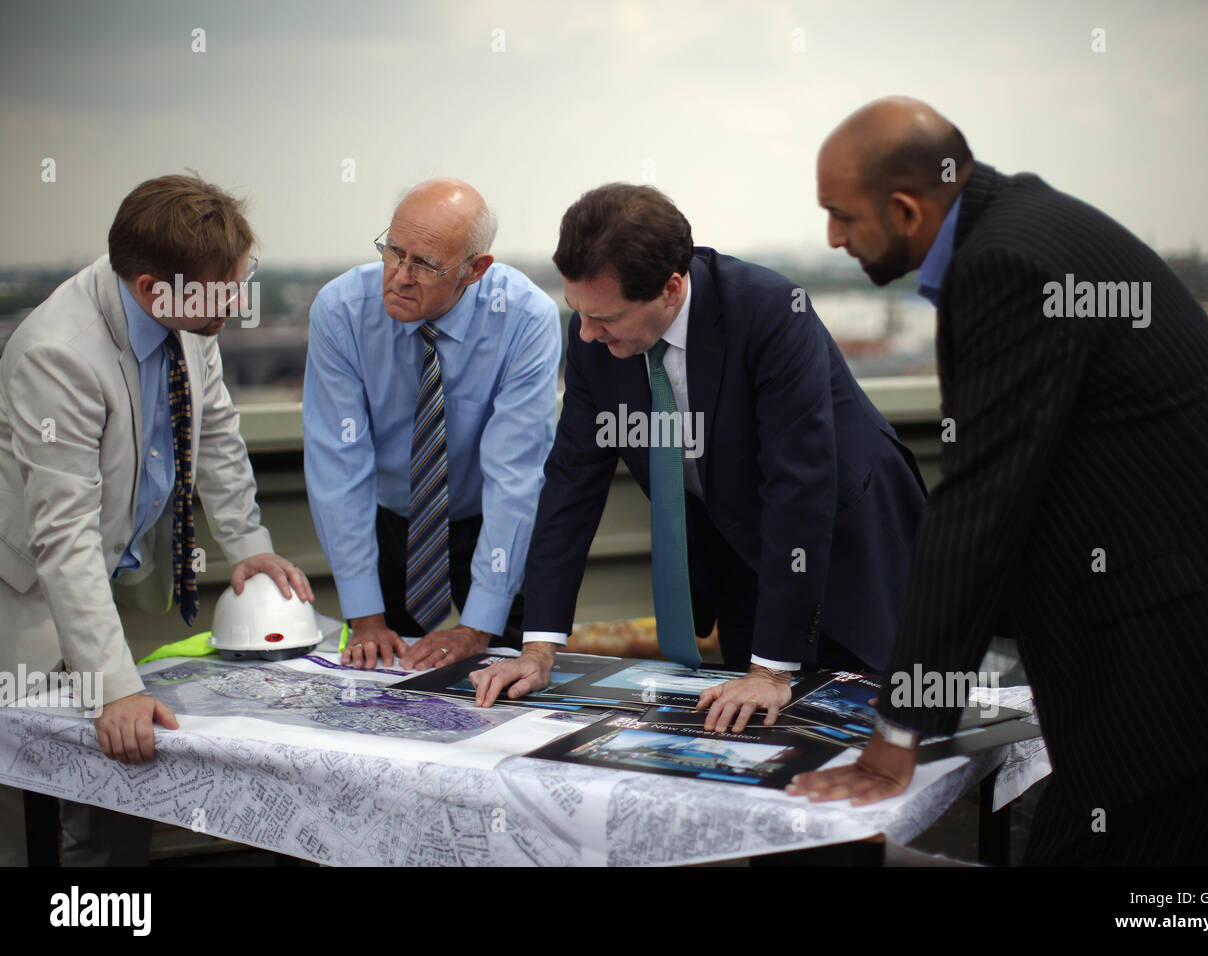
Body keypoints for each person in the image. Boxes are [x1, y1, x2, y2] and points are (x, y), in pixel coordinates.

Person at [789, 97, 1208, 865]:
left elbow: (977, 509)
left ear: (903, 208)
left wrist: (899, 732)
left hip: (1173, 646)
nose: (832, 237)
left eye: (840, 215)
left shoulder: (1004, 264)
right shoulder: (1023, 225)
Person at [470, 183, 926, 732]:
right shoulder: (593, 329)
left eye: (606, 319)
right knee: (754, 734)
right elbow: (571, 483)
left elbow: (799, 486)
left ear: (671, 288)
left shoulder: (771, 310)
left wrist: (772, 670)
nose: (587, 335)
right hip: (739, 549)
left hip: (848, 542)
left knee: (868, 733)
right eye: (577, 311)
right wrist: (538, 647)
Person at [0, 173, 310, 864]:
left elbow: (220, 431)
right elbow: (64, 537)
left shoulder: (188, 311)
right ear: (150, 288)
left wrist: (248, 545)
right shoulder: (59, 354)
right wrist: (115, 692)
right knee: (36, 819)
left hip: (101, 578)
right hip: (21, 598)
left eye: (240, 279)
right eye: (222, 289)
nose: (236, 301)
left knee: (115, 803)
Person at [304, 179, 561, 672]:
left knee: (511, 677)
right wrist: (365, 616)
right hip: (389, 523)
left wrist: (476, 627)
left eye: (423, 264)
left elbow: (516, 475)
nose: (399, 277)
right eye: (393, 252)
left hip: (493, 517)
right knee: (380, 677)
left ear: (474, 269)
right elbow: (340, 466)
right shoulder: (341, 311)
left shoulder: (526, 318)